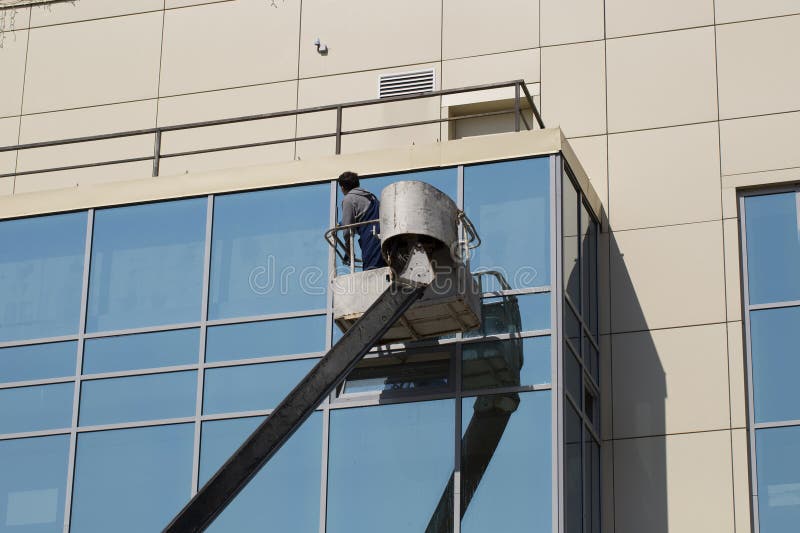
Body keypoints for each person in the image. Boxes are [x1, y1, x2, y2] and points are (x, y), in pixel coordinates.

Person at [337, 171, 387, 270]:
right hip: (384, 236)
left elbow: (347, 230)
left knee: (372, 271)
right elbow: (363, 214)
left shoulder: (348, 199)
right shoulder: (370, 196)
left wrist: (349, 250)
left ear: (342, 187)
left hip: (371, 237)